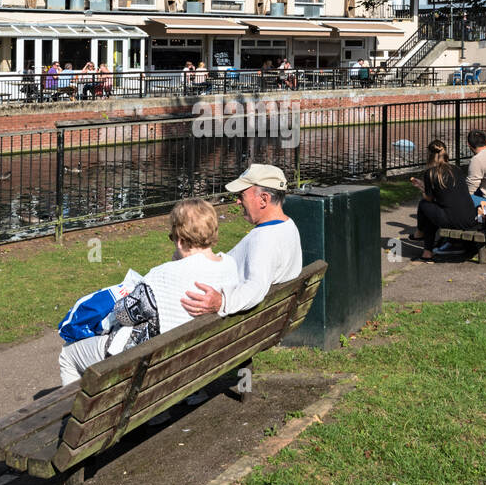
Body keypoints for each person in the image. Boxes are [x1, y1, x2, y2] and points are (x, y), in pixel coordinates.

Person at [59, 199, 239, 385]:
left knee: (67, 354)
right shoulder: (230, 266)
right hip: (201, 359)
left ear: (180, 240)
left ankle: (85, 413)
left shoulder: (163, 275)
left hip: (151, 367)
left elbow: (123, 315)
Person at [181, 164, 303, 318]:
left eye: (241, 196)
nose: (238, 202)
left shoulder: (264, 240)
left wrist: (222, 302)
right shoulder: (288, 226)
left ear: (264, 199)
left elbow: (256, 287)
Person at [409, 140, 478, 261]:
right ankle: (426, 251)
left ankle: (420, 234)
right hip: (469, 217)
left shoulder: (430, 173)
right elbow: (446, 193)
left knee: (424, 204)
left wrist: (421, 188)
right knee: (431, 209)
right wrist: (423, 185)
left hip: (454, 220)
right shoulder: (456, 169)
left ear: (429, 155)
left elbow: (429, 198)